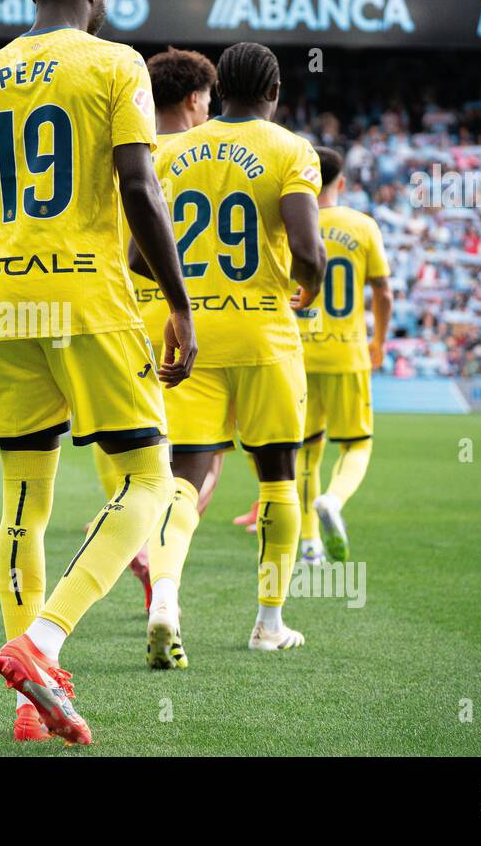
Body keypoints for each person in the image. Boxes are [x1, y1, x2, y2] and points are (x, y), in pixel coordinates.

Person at [0, 0, 195, 744]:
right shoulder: (116, 65)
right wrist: (181, 303)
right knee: (149, 482)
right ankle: (43, 643)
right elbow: (139, 186)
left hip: (7, 302)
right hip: (89, 297)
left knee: (23, 500)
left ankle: (30, 703)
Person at [137, 42, 327, 669]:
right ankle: (268, 624)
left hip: (191, 332)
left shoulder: (169, 151)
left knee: (185, 477)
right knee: (278, 476)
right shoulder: (292, 150)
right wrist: (312, 285)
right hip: (266, 335)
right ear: (273, 94)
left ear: (217, 95)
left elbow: (139, 256)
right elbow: (308, 250)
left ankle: (164, 597)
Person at [91, 45, 216, 612]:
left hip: (111, 316)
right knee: (194, 461)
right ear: (194, 99)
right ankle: (164, 575)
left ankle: (136, 549)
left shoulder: (119, 147)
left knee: (126, 458)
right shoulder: (209, 154)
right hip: (176, 312)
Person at [296, 146, 392, 563]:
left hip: (299, 355)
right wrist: (379, 342)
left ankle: (309, 542)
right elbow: (383, 292)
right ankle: (333, 500)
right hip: (346, 352)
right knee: (356, 444)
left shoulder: (291, 226)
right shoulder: (362, 226)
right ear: (343, 183)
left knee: (305, 451)